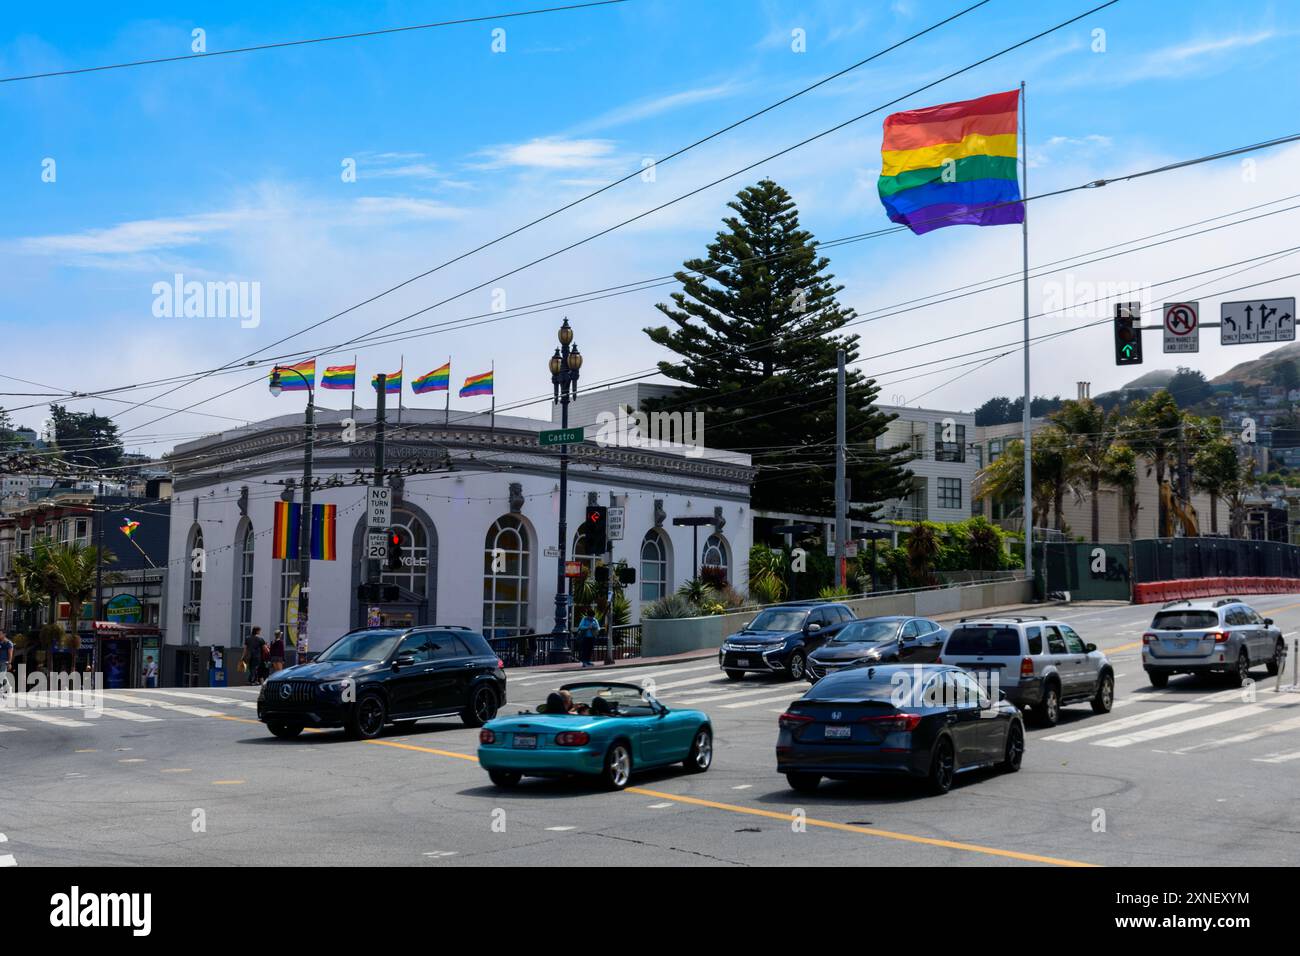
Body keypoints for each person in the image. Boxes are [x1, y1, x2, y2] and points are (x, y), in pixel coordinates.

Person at [0, 629, 13, 699]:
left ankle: (1, 693)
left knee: (0, 677)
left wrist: (9, 663)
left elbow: (10, 654)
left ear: (4, 634)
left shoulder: (8, 643)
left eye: (0, 634)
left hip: (4, 662)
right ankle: (9, 688)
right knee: (3, 677)